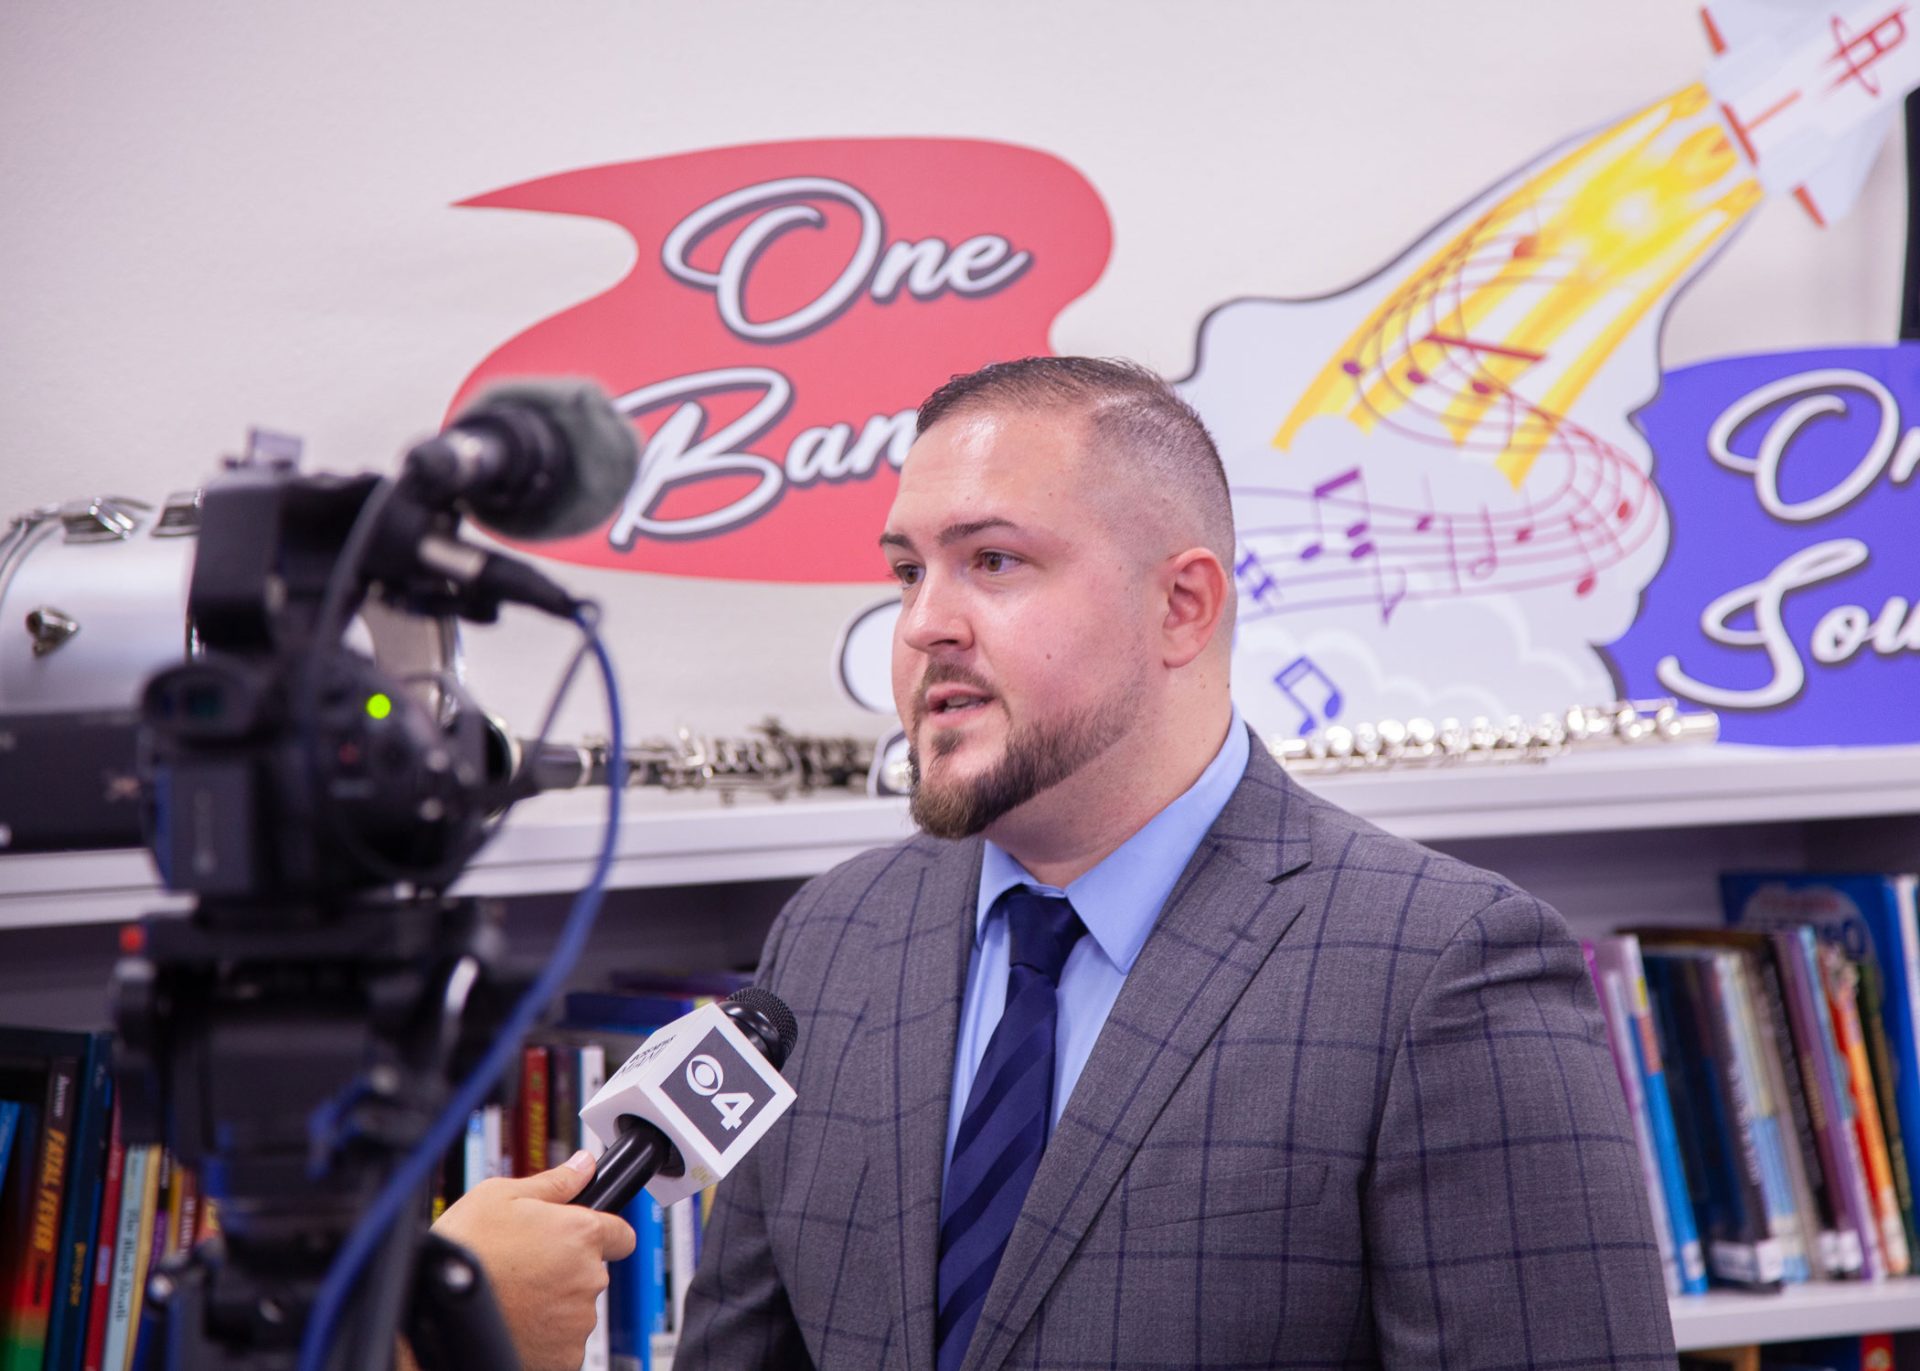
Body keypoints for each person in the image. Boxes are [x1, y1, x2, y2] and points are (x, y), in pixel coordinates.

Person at [671, 356, 1676, 1369]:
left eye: (994, 562)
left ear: (1182, 607)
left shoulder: (1444, 973)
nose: (926, 621)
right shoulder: (830, 941)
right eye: (907, 570)